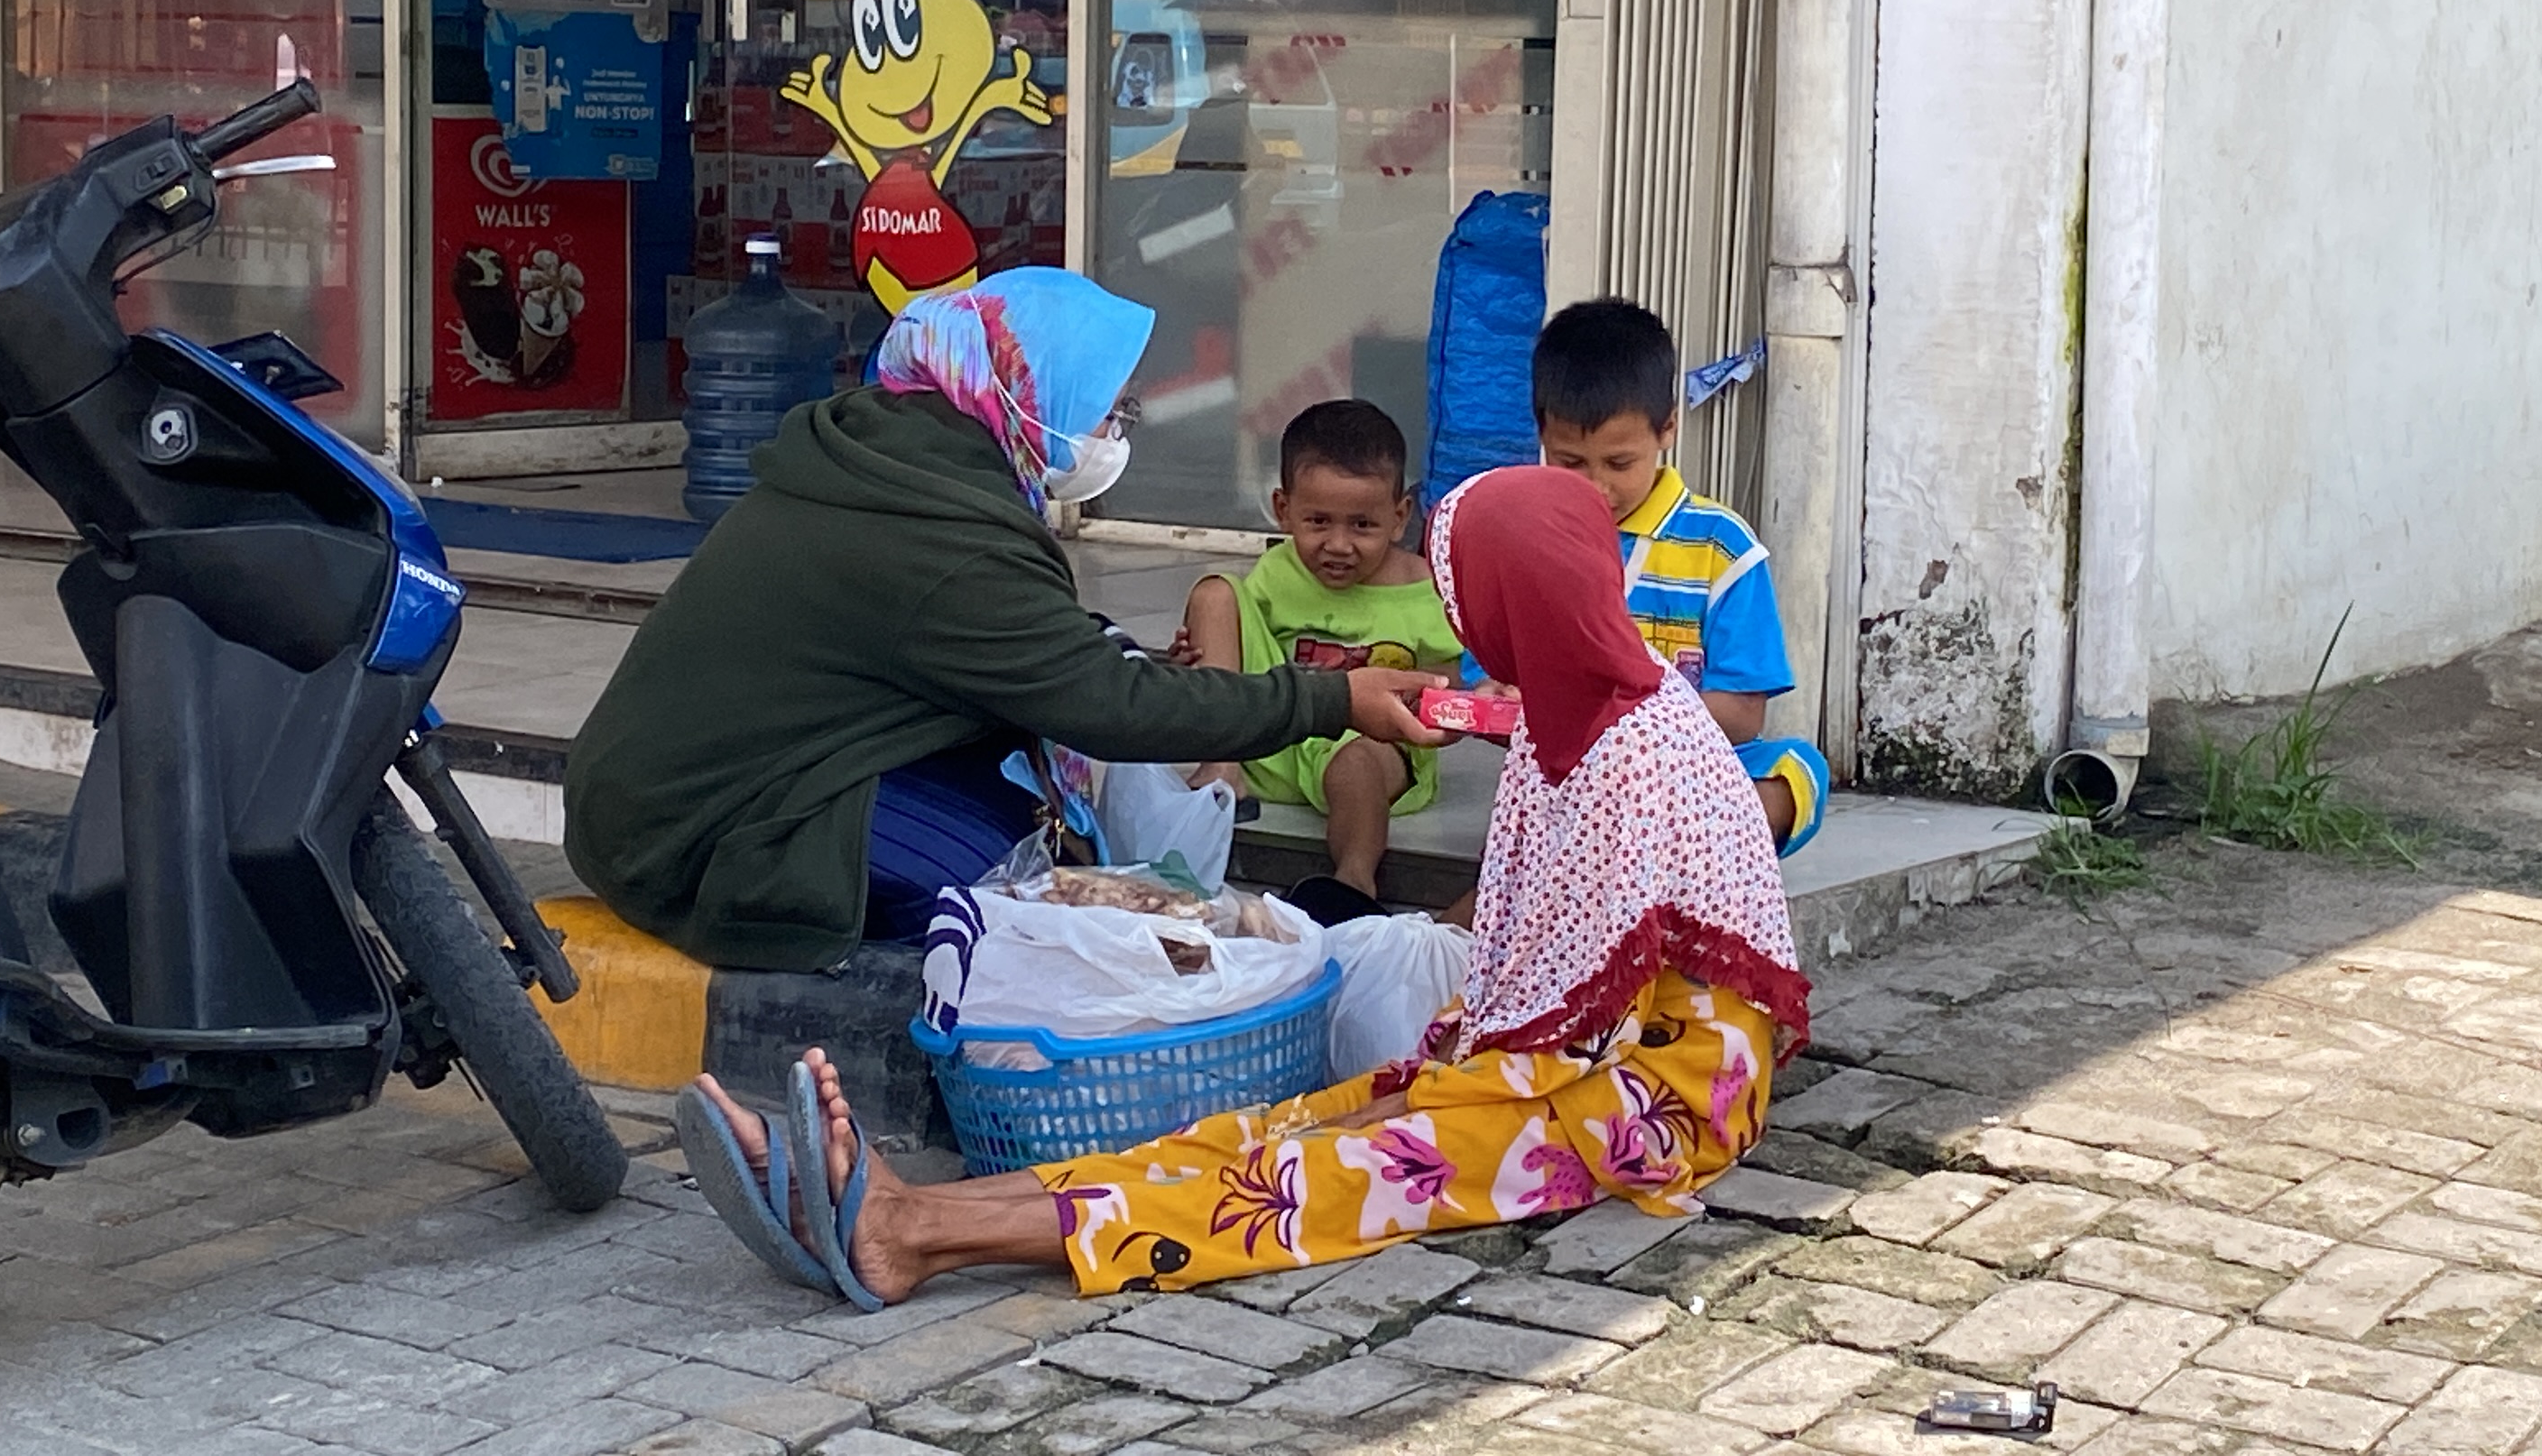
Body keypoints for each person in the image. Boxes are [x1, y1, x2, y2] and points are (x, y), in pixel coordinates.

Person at [674, 465, 1811, 1308]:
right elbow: (1539, 957)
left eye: (1469, 590)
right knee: (1271, 1130)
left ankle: (918, 1230)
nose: (1458, 618)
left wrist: (1436, 1085)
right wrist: (1438, 1066)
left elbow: (1585, 1003)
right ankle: (903, 1210)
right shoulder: (1578, 712)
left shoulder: (1634, 749)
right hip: (1571, 1049)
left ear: (1517, 603)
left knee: (1307, 1180)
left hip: (1661, 1100)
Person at [563, 270, 1448, 969]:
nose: (1114, 429)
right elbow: (1106, 707)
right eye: (1107, 406)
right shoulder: (939, 527)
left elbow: (1044, 661)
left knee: (1029, 822)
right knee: (1006, 889)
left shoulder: (900, 448)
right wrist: (1333, 701)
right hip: (686, 840)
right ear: (1035, 391)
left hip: (670, 790)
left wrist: (1115, 662)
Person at [1528, 298, 1829, 854]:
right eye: (1569, 463)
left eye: (1620, 464)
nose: (1596, 488)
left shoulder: (1722, 548)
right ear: (1541, 433)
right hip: (1568, 770)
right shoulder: (1528, 537)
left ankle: (1677, 858)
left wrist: (1631, 721)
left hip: (1692, 765)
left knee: (1799, 774)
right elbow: (1493, 680)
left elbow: (1741, 714)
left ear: (1667, 428)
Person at [1171, 400, 1463, 916]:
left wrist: (1430, 712)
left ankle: (1352, 881)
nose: (1338, 544)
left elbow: (1443, 691)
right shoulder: (1279, 570)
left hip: (1374, 750)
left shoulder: (1426, 590)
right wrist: (1196, 658)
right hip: (1278, 734)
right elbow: (1243, 635)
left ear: (1399, 518)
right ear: (1283, 510)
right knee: (1215, 591)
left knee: (1356, 758)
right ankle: (1223, 771)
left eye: (1362, 526)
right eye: (1318, 521)